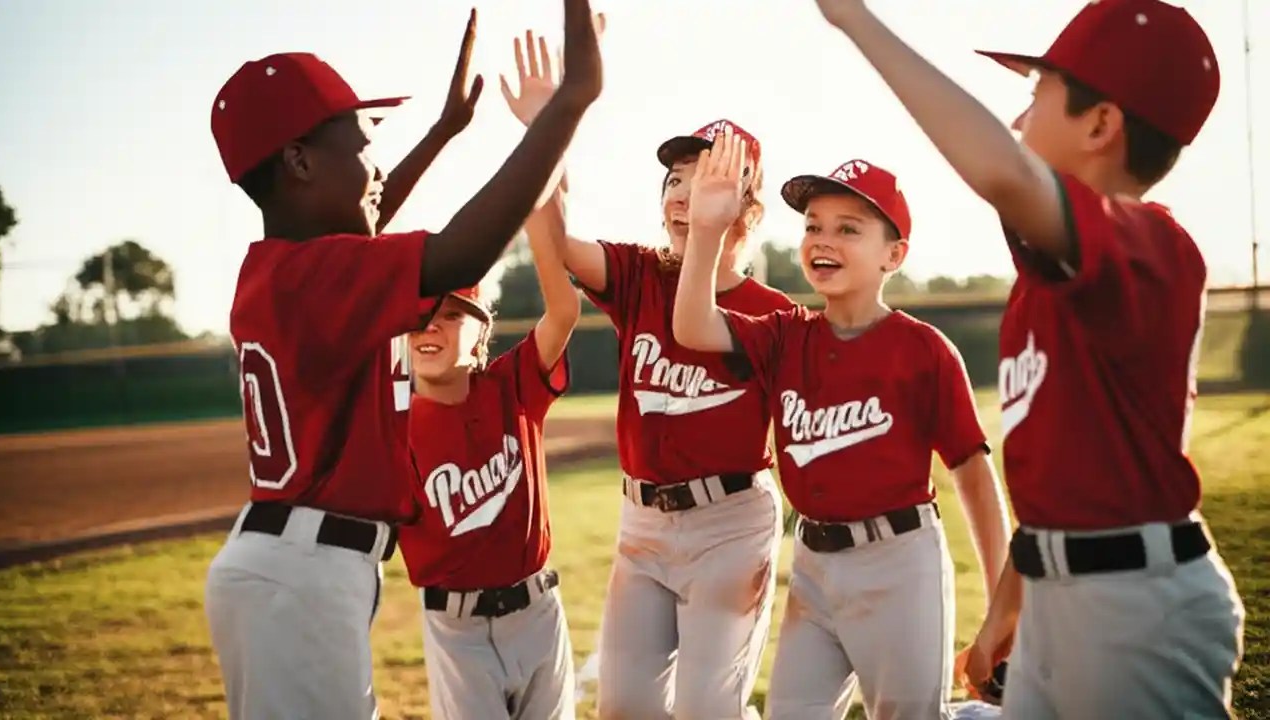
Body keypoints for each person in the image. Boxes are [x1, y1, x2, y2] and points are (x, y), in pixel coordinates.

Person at [808, 0, 1246, 717]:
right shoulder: (1045, 290)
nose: (1017, 122)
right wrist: (1005, 613)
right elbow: (1055, 488)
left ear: (1102, 125)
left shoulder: (1152, 249)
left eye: (1036, 97)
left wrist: (855, 19)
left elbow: (1004, 175)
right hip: (1059, 601)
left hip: (1137, 608)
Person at [203, 3, 603, 718]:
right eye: (360, 143)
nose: (377, 164)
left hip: (296, 566)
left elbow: (369, 214)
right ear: (298, 162)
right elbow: (459, 253)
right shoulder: (313, 278)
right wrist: (571, 101)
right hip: (304, 571)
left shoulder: (288, 272)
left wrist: (446, 132)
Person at [501, 28, 794, 719]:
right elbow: (558, 241)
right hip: (643, 524)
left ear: (747, 209)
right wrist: (549, 132)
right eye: (674, 179)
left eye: (706, 181)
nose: (681, 195)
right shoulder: (639, 274)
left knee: (704, 709)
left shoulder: (774, 314)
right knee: (625, 708)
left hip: (731, 524)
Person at [673, 130, 1011, 719]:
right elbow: (693, 326)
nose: (823, 240)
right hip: (814, 567)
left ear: (893, 255)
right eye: (813, 226)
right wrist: (705, 231)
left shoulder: (923, 350)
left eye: (848, 229)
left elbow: (975, 478)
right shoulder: (785, 333)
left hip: (900, 566)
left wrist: (1000, 610)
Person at [396, 186, 579, 720]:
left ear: (481, 335)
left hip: (538, 613)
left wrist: (540, 190)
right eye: (420, 317)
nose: (431, 326)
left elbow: (563, 309)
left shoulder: (512, 385)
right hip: (456, 630)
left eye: (452, 315)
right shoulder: (391, 425)